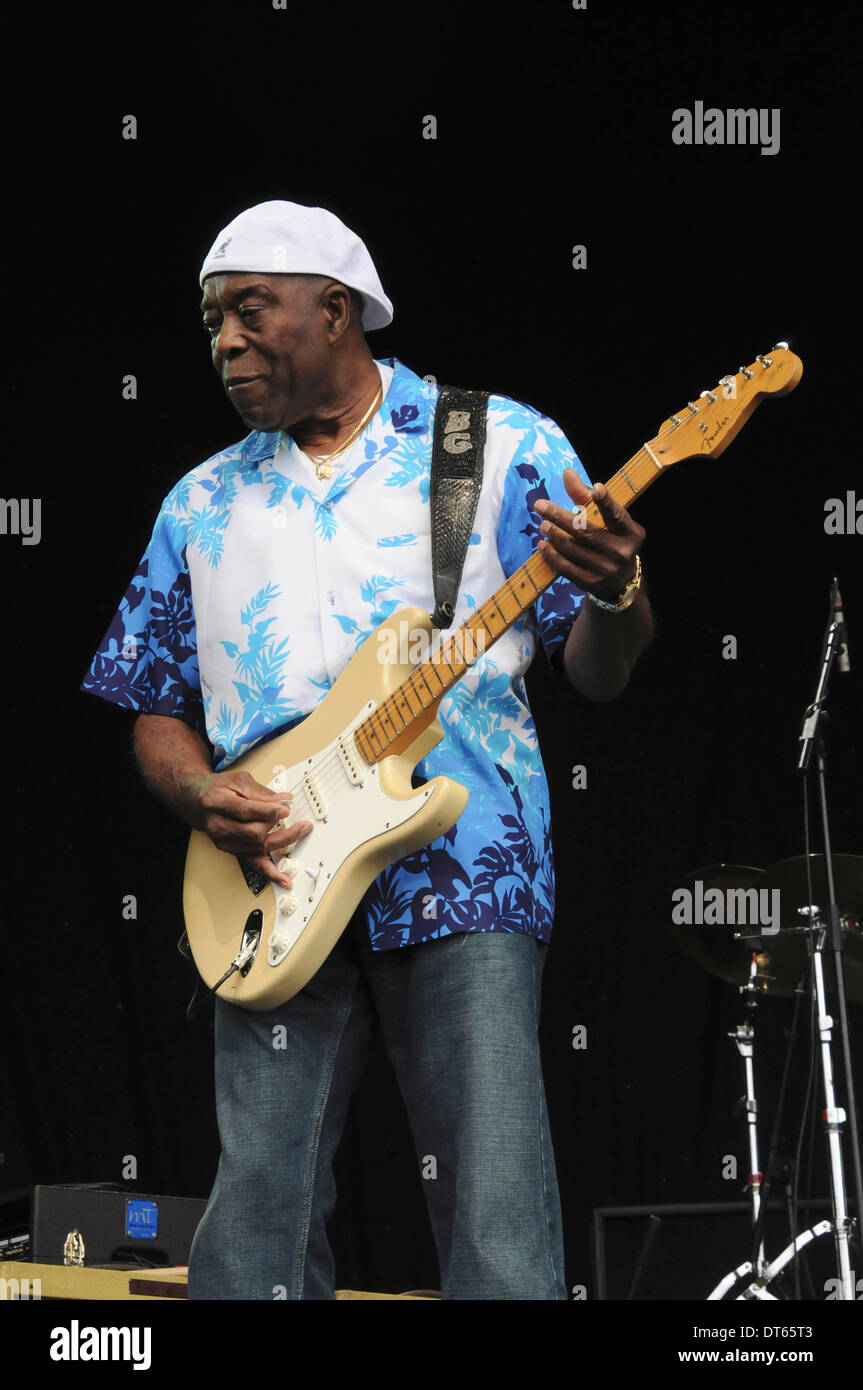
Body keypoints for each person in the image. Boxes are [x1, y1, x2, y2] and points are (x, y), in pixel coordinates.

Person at [82, 200, 653, 1300]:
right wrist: (202, 792)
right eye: (212, 324)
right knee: (252, 1230)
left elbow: (596, 668)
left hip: (463, 867)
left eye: (250, 313)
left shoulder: (498, 447)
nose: (226, 343)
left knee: (495, 1222)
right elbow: (149, 702)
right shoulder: (199, 501)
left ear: (335, 312)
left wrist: (619, 590)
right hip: (273, 875)